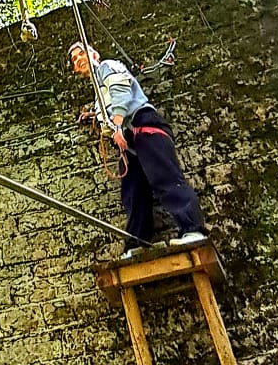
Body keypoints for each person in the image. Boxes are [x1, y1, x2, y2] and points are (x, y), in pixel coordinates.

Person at [69, 42, 207, 250]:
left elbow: (120, 89)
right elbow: (108, 109)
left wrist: (116, 125)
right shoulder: (98, 95)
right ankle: (137, 244)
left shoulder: (107, 66)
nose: (79, 58)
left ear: (94, 54)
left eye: (82, 53)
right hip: (128, 139)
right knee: (133, 192)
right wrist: (101, 120)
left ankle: (193, 229)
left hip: (143, 126)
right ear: (76, 69)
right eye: (75, 59)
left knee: (165, 178)